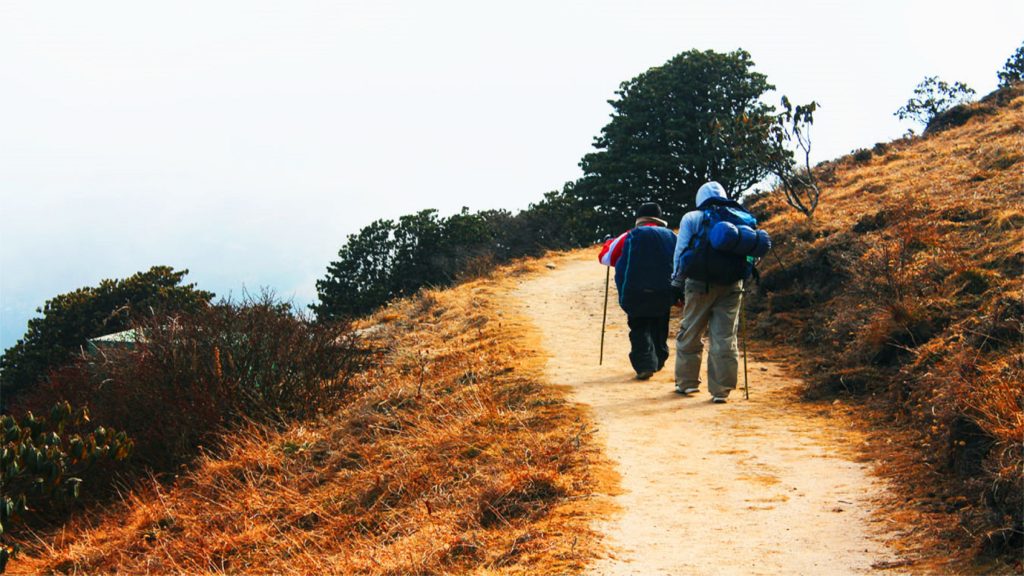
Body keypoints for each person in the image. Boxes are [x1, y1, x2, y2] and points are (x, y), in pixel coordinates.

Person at [671, 182, 747, 403]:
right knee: (724, 337)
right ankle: (721, 390)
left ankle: (686, 384)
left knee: (691, 331)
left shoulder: (692, 218)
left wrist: (675, 283)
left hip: (699, 284)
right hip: (733, 285)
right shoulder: (739, 216)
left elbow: (681, 251)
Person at [599, 202, 678, 380]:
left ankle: (644, 365)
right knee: (659, 325)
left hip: (636, 291)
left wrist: (609, 243)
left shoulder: (629, 235)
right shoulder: (672, 236)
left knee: (639, 326)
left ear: (639, 219)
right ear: (659, 219)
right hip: (664, 291)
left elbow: (606, 258)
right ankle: (658, 360)